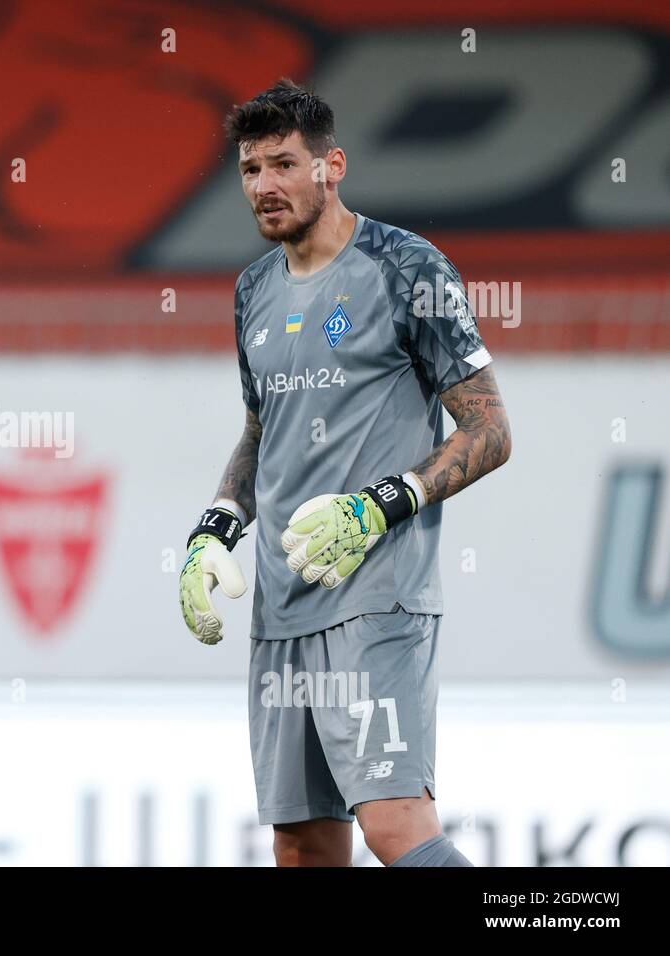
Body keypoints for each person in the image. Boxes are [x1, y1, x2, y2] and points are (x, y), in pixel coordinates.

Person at [179, 80, 511, 867]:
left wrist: (379, 506)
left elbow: (491, 429)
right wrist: (214, 528)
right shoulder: (253, 291)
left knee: (394, 823)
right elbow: (263, 430)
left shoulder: (406, 268)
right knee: (302, 846)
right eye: (250, 169)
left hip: (374, 594)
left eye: (284, 164)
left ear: (332, 165)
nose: (264, 186)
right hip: (281, 606)